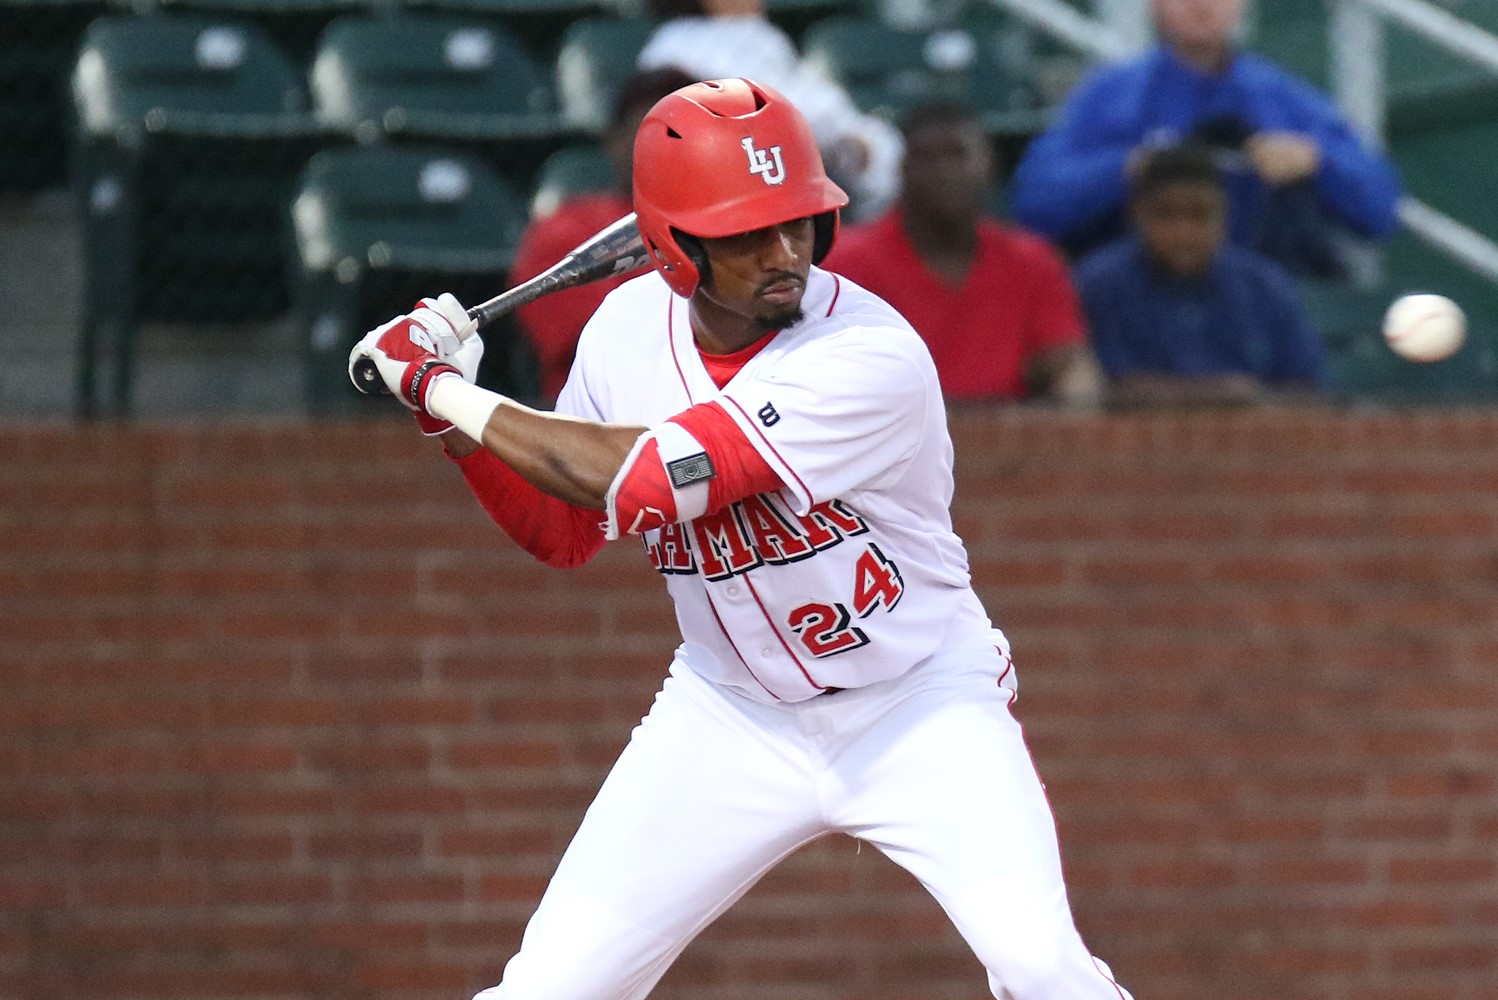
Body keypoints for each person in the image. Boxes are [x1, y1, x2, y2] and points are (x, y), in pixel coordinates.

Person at [347, 78, 1134, 1000]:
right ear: (676, 248)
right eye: (747, 232)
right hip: (730, 714)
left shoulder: (869, 356)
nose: (784, 251)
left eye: (799, 221)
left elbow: (646, 480)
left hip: (917, 702)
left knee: (1044, 970)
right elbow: (562, 531)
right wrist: (451, 426)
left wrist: (446, 392)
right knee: (547, 989)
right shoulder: (625, 331)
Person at [1007, 0, 1402, 276]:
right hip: (1135, 299)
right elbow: (1036, 203)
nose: (1201, 3)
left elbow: (1380, 208)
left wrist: (1317, 160)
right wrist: (1132, 166)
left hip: (1267, 298)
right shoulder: (1111, 94)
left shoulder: (1281, 97)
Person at [822, 101, 1100, 405]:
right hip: (889, 436)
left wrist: (1075, 402)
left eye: (957, 155)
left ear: (988, 165)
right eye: (926, 159)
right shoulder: (846, 260)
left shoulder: (1033, 260)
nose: (943, 172)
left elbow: (1068, 363)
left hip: (1009, 437)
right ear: (902, 169)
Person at [1073, 143, 1323, 407]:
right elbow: (1093, 392)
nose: (1183, 232)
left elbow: (1307, 388)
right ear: (1136, 214)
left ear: (1225, 216)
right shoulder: (1099, 284)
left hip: (1251, 441)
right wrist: (1226, 394)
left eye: (1200, 215)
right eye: (1166, 215)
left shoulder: (1264, 285)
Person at [509, 66, 699, 402]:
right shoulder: (567, 228)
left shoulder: (743, 230)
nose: (666, 148)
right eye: (650, 130)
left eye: (684, 134)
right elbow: (608, 343)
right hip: (599, 423)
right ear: (613, 142)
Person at [637, 0, 901, 219]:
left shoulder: (759, 35)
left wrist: (856, 147)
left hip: (815, 182)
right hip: (741, 196)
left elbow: (831, 115)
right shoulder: (673, 49)